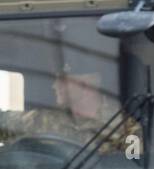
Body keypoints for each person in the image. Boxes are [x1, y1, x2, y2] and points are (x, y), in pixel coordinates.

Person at [0, 66, 140, 157]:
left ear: (85, 85)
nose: (54, 86)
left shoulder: (126, 128)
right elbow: (4, 123)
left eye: (61, 81)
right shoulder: (41, 119)